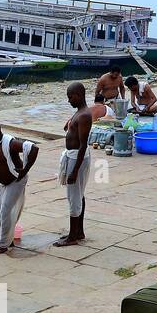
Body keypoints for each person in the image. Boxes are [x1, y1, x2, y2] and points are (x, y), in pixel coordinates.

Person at [0, 118, 38, 255]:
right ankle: (6, 238)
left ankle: (3, 245)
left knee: (5, 210)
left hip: (15, 180)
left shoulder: (10, 143)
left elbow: (33, 148)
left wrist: (25, 169)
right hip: (3, 182)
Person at [56, 82, 92, 247]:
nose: (69, 100)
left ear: (79, 95)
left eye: (71, 97)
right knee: (79, 194)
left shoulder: (84, 115)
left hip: (77, 157)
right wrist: (70, 122)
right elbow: (76, 123)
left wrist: (74, 171)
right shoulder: (79, 113)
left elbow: (83, 145)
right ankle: (79, 231)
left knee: (74, 196)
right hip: (73, 156)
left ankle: (73, 236)